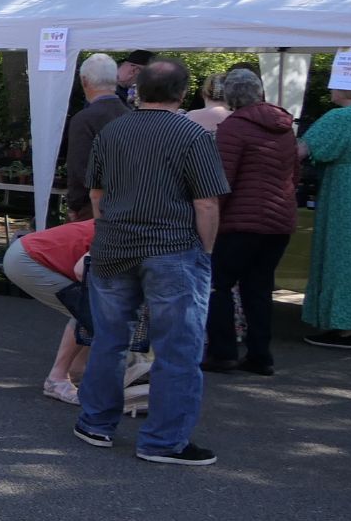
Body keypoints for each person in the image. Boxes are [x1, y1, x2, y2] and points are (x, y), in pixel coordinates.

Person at [76, 58, 229, 466]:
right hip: (172, 248)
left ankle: (95, 422)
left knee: (109, 339)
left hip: (114, 244)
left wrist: (108, 228)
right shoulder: (193, 136)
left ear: (138, 89)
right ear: (183, 92)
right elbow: (207, 202)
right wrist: (206, 251)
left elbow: (96, 195)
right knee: (177, 347)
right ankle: (163, 441)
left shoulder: (112, 130)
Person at [206, 69, 295, 373]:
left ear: (230, 95)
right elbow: (293, 172)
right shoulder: (285, 126)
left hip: (241, 223)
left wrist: (210, 220)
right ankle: (260, 356)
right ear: (260, 92)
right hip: (279, 220)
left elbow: (221, 181)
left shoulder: (234, 127)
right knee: (257, 288)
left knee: (219, 284)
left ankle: (222, 352)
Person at [3, 221, 96, 404]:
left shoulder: (129, 220)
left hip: (27, 252)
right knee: (91, 310)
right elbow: (81, 270)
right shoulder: (126, 229)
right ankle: (57, 379)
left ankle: (76, 370)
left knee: (96, 311)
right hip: (28, 258)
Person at [298, 86, 351, 349]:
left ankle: (346, 326)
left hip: (346, 194)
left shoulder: (339, 118)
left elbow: (301, 151)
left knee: (343, 255)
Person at [66, 54, 128, 221]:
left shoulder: (83, 119)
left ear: (84, 80)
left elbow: (79, 168)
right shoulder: (132, 116)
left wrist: (74, 205)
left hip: (92, 207)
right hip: (130, 203)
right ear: (115, 79)